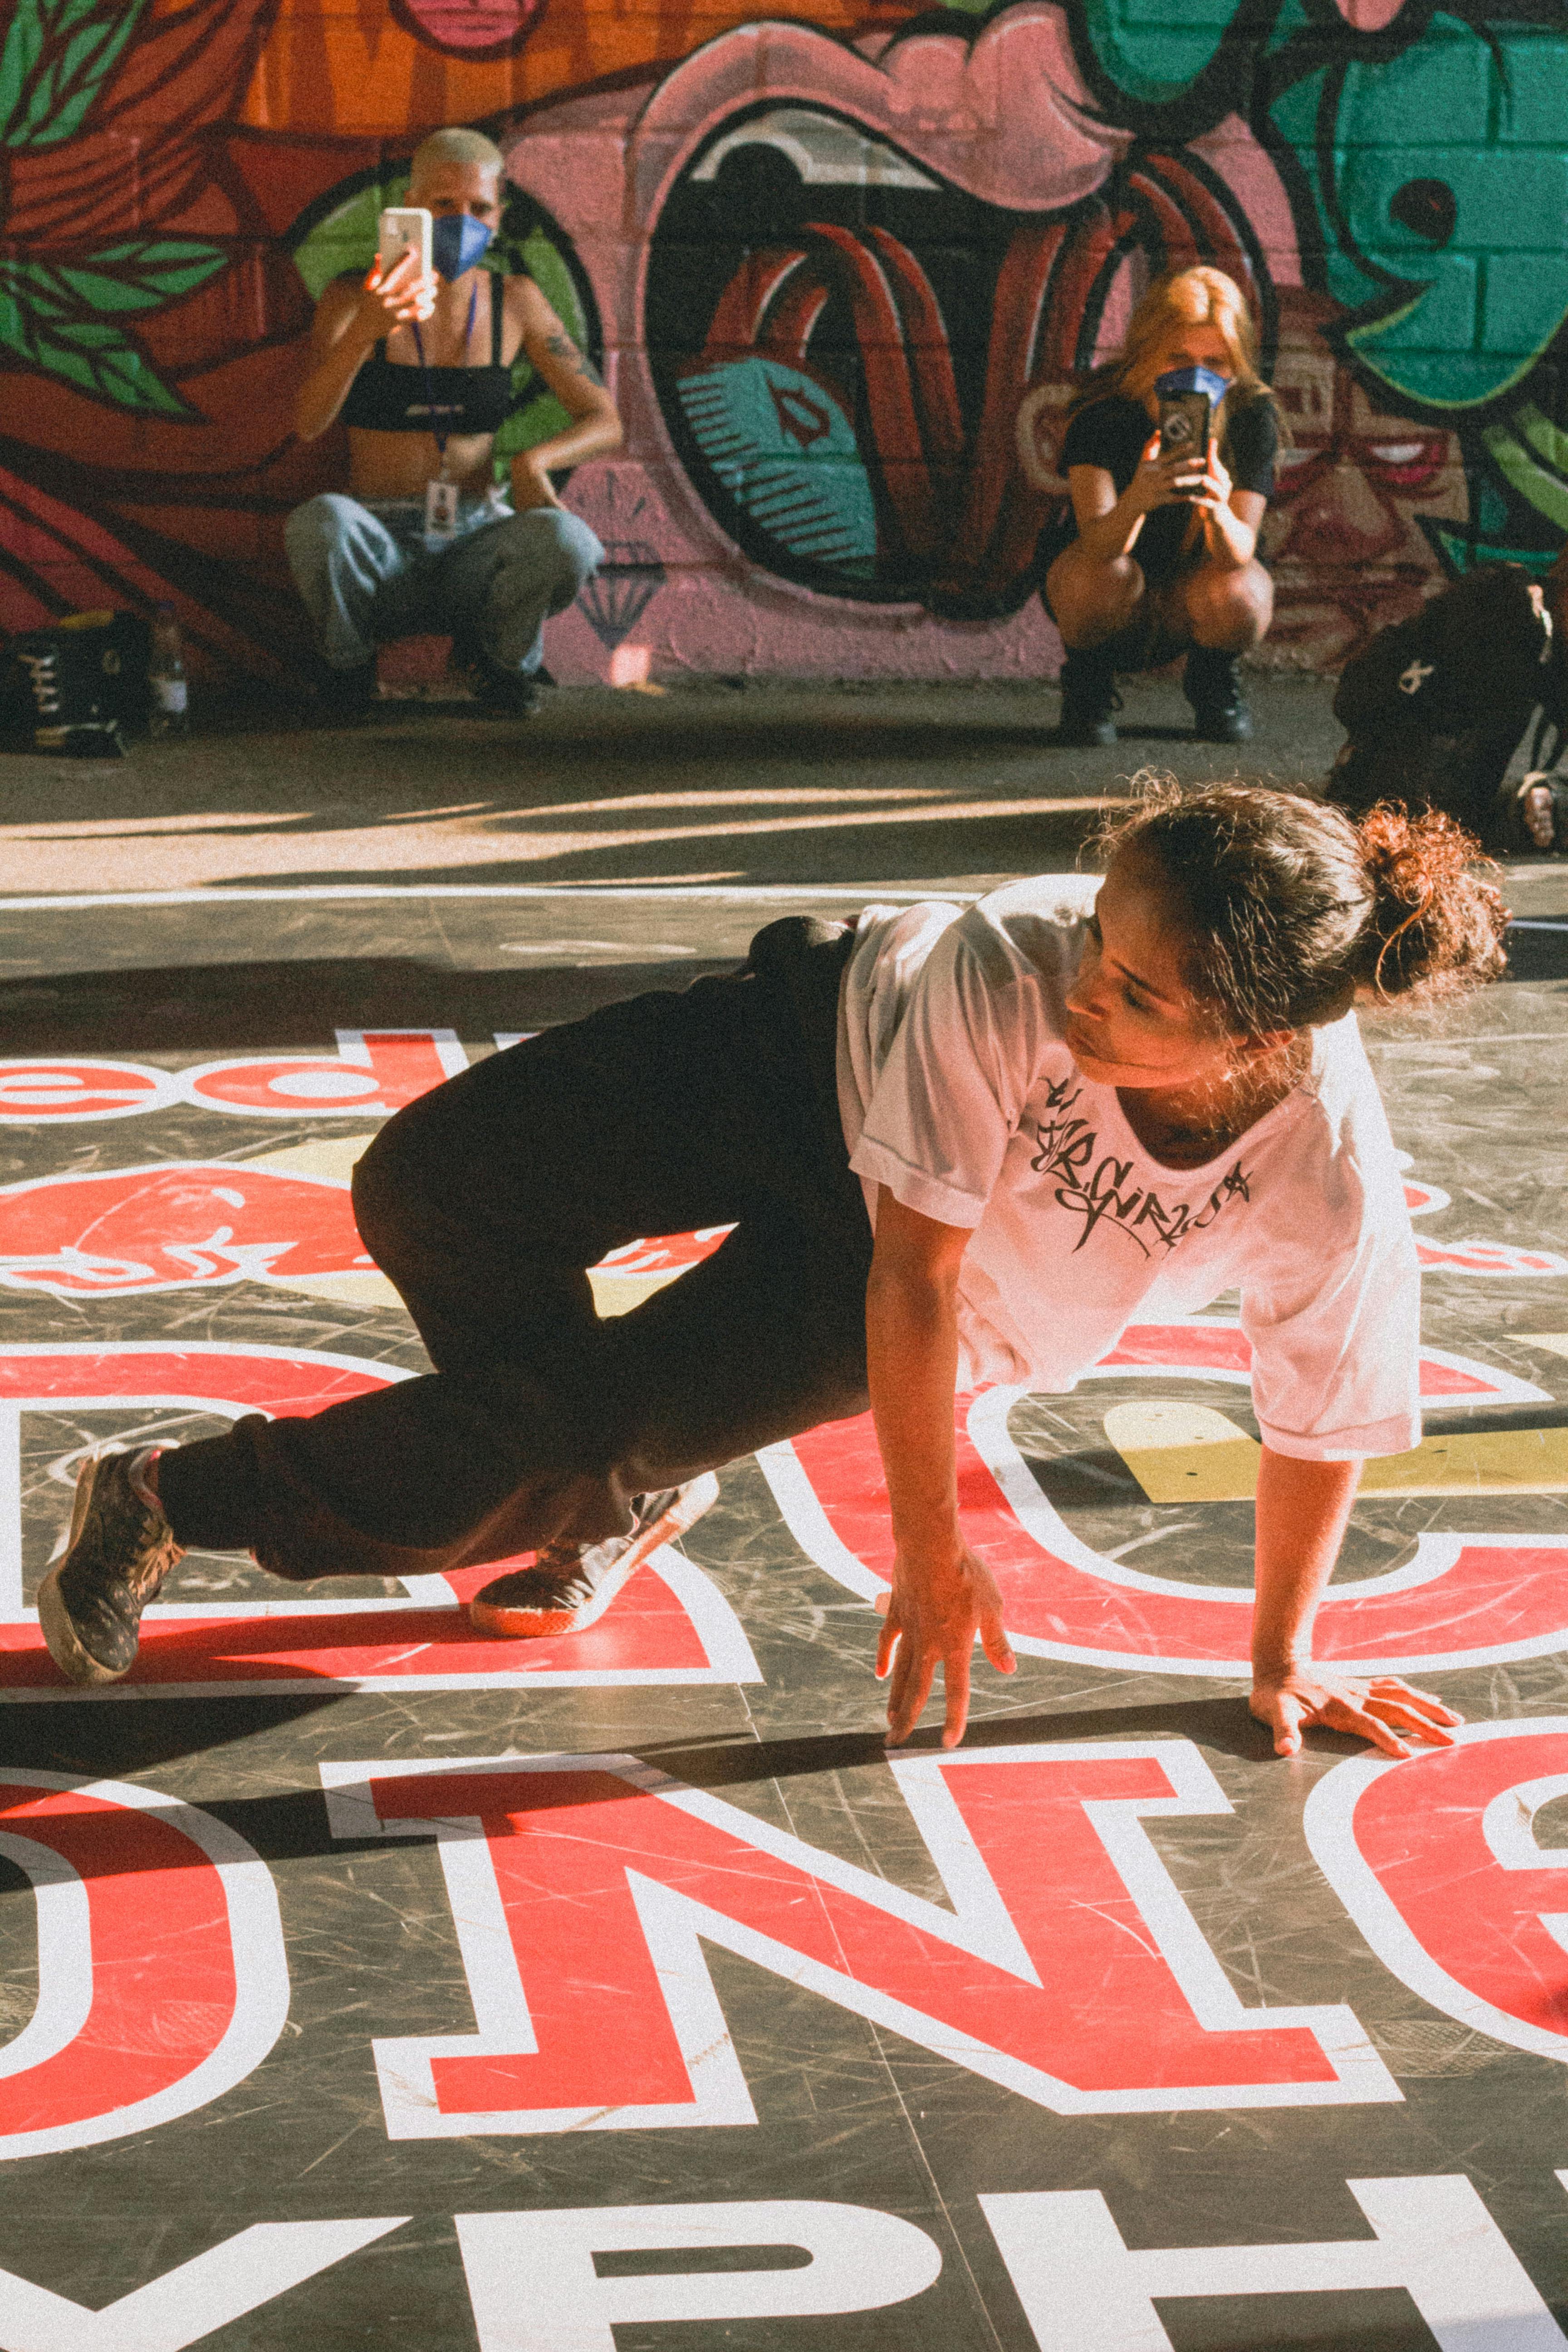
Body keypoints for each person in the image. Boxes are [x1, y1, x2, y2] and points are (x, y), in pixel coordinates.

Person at [40, 784, 1505, 1762]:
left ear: (1254, 1040)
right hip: (811, 1054)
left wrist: (1280, 1654)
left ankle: (171, 1497)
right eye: (1094, 944)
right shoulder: (1009, 965)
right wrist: (930, 1552)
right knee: (425, 1186)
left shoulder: (1322, 1180)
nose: (1083, 993)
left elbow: (1313, 1420)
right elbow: (914, 1264)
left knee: (561, 1439)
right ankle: (608, 1482)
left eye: (1132, 996)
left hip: (915, 1278)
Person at [286, 127, 621, 719]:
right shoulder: (350, 297)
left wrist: (532, 462)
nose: (462, 220)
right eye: (444, 204)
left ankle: (499, 666)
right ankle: (348, 669)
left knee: (568, 542)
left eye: (480, 207)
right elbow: (310, 422)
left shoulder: (514, 300)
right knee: (320, 524)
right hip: (379, 545)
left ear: (498, 218)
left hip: (472, 541)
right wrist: (364, 331)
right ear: (411, 207)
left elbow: (604, 418)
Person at [1036, 266, 1279, 749]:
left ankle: (1212, 680)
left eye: (1216, 362)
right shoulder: (1105, 410)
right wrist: (1138, 500)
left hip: (1193, 596)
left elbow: (1239, 554)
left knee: (1243, 593)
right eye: (1179, 357)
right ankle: (1088, 683)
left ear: (1237, 365)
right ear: (1148, 352)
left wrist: (1217, 509)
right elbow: (1098, 544)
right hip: (1110, 593)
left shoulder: (1251, 415)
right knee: (1103, 576)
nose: (1196, 375)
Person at [1326, 559, 1568, 856]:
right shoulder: (1505, 606)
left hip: (1433, 801)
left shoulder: (1550, 635)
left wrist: (1554, 790)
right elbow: (1373, 696)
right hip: (1398, 791)